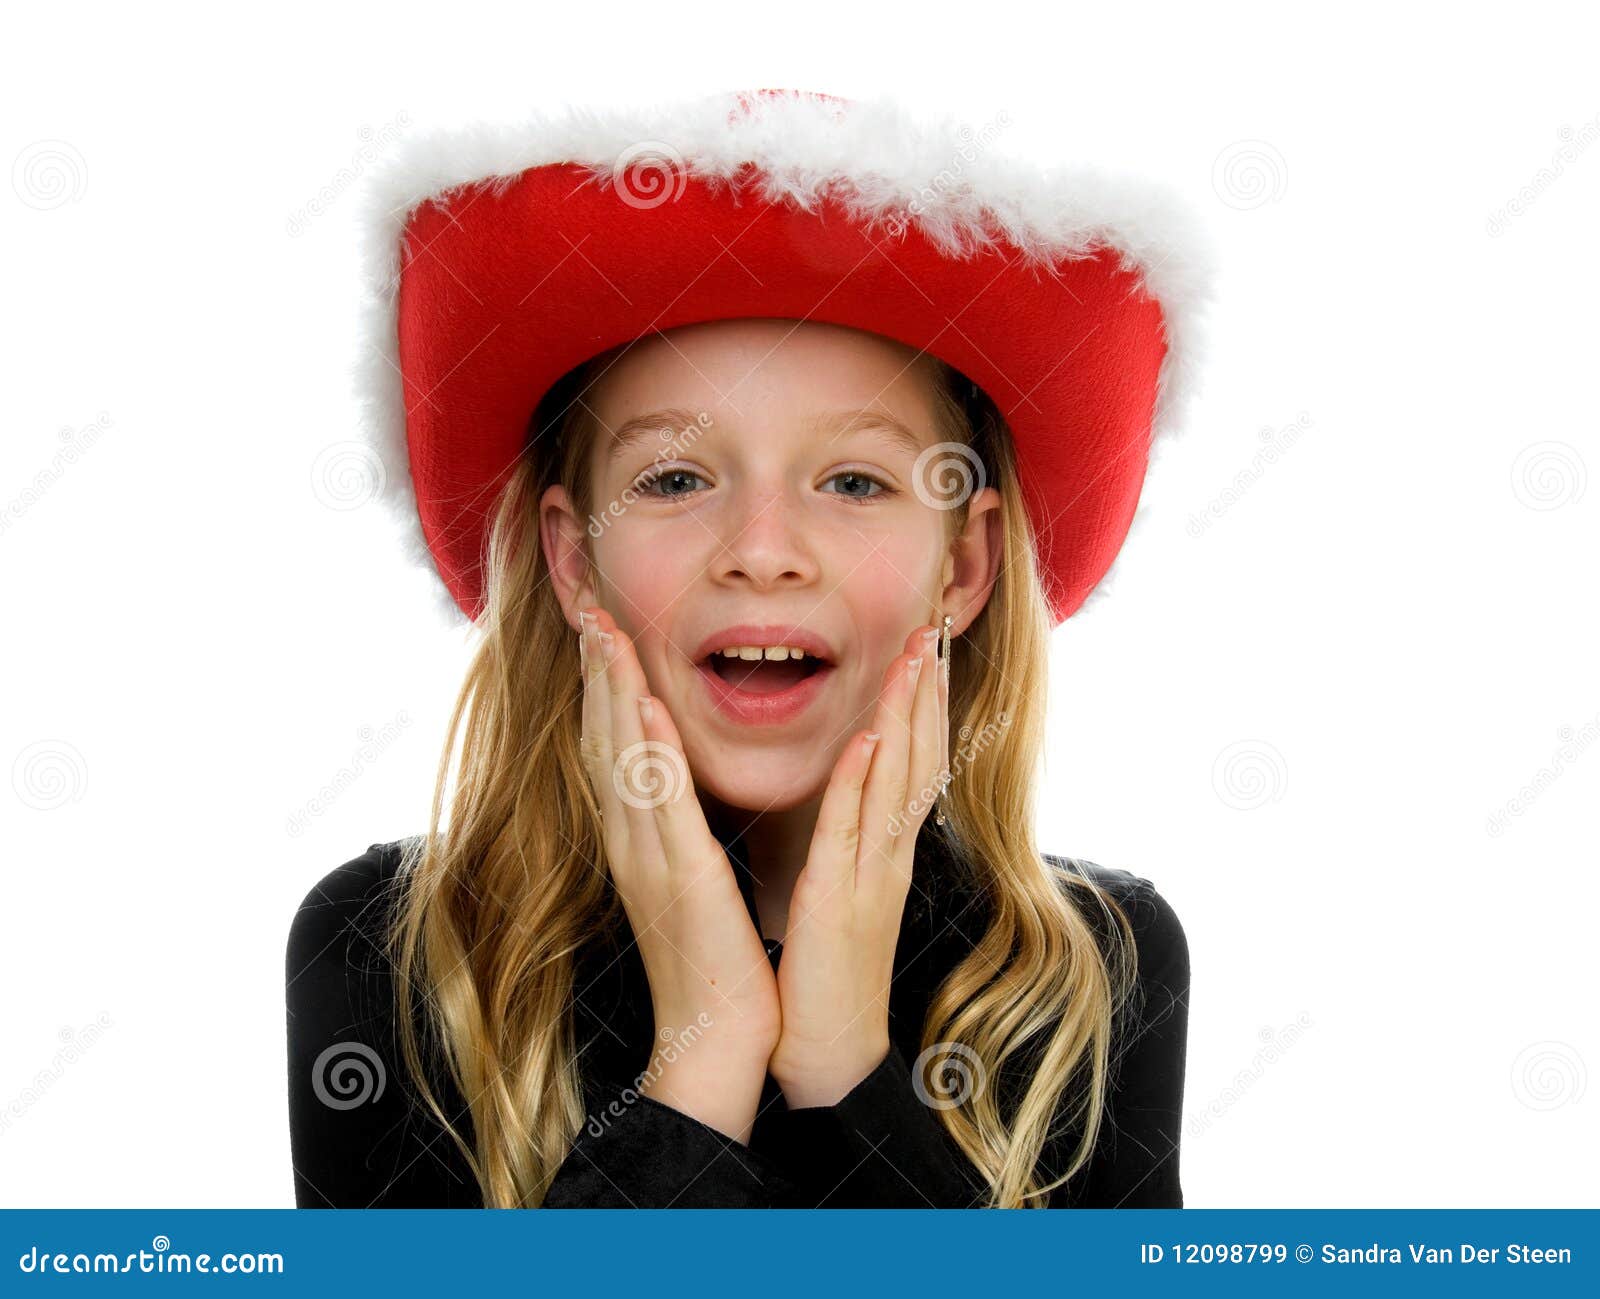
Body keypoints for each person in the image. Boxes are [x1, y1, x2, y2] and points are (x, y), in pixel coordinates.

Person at [286, 87, 1212, 1209]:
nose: (763, 553)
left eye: (856, 482)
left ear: (963, 568)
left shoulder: (1095, 971)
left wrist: (845, 1064)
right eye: (674, 479)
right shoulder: (394, 954)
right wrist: (707, 1048)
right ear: (574, 565)